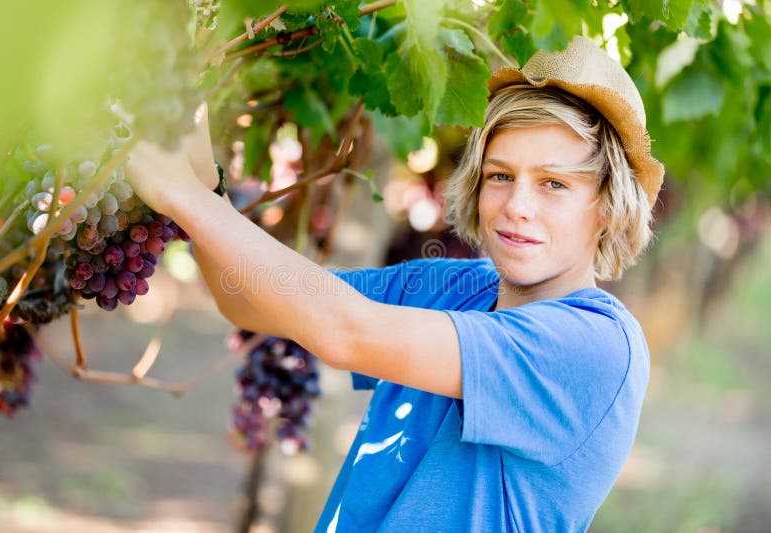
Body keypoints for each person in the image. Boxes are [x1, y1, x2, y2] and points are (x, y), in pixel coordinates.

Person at [126, 36, 664, 532]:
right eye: (501, 176)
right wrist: (202, 177)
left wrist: (183, 196)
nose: (517, 207)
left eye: (553, 184)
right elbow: (246, 300)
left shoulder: (595, 348)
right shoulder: (454, 290)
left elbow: (346, 334)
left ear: (608, 209)